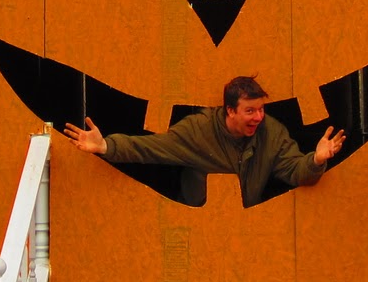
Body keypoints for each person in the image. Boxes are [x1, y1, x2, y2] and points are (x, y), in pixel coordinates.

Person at [63, 76, 345, 208]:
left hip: (249, 233)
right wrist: (105, 147)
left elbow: (295, 171)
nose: (258, 117)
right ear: (230, 110)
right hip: (200, 231)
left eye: (261, 109)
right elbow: (151, 148)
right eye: (250, 111)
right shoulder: (197, 131)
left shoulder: (271, 133)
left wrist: (316, 160)